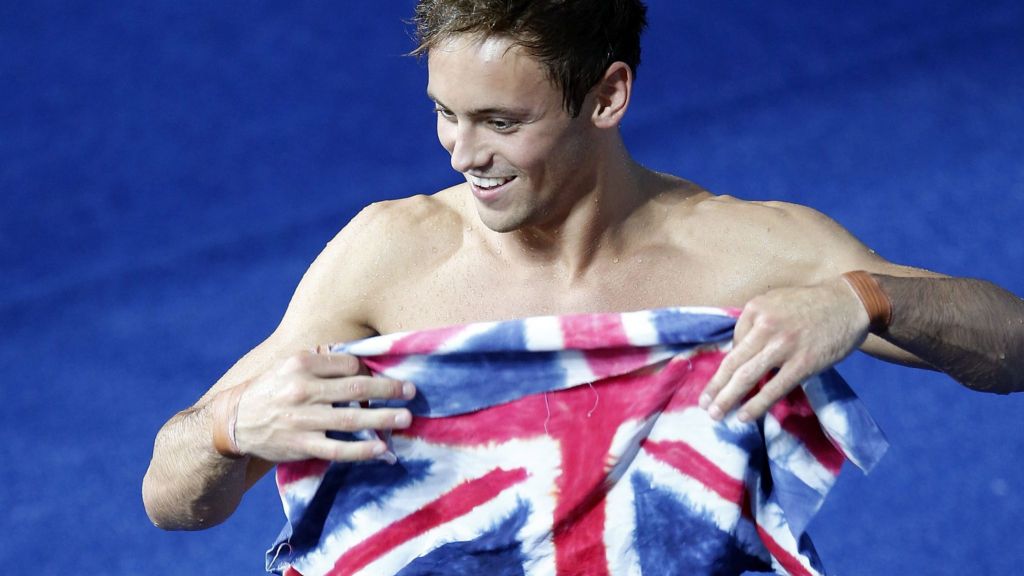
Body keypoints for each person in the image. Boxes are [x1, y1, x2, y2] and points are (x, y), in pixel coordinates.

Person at [144, 0, 1022, 563]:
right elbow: (170, 499)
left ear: (607, 97)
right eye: (444, 114)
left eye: (499, 121)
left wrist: (862, 299)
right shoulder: (392, 253)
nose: (461, 152)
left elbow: (1013, 347)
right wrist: (231, 428)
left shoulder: (744, 252)